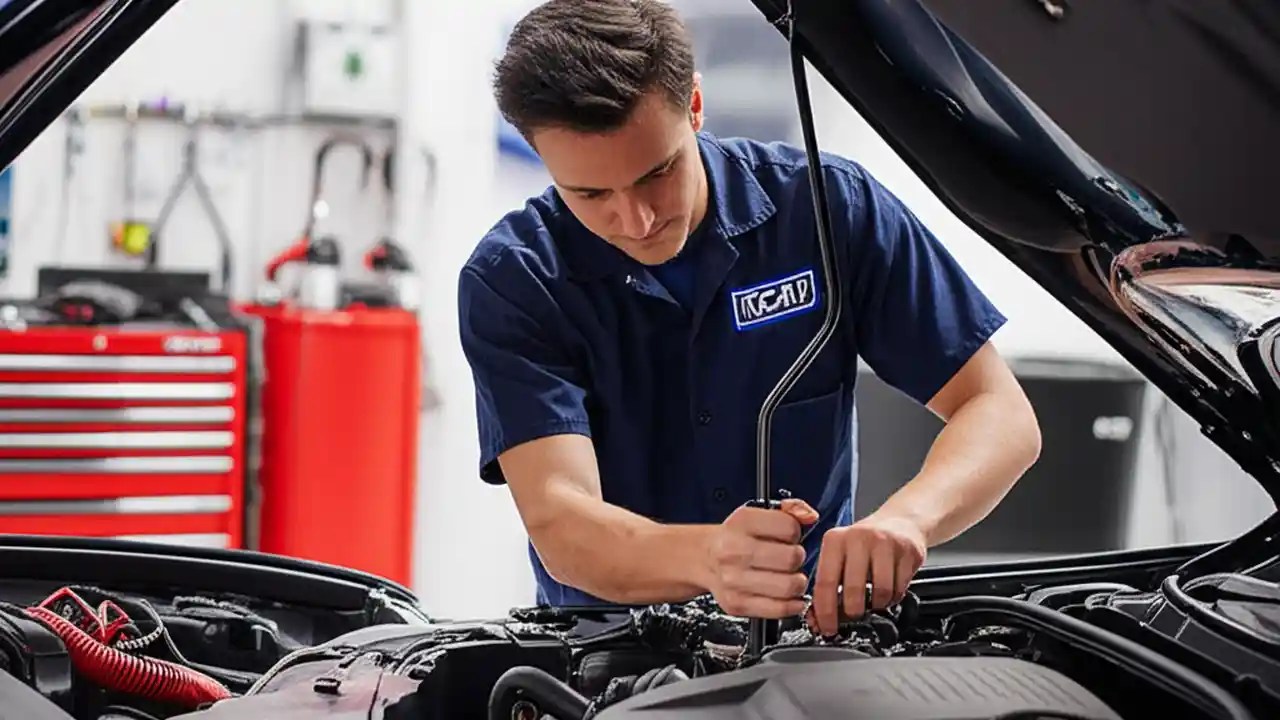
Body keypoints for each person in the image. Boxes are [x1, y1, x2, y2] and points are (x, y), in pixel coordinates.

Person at [458, 0, 1042, 637]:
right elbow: (564, 525)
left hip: (811, 641)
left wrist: (908, 519)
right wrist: (711, 558)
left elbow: (999, 410)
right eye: (591, 195)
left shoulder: (829, 211)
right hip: (613, 657)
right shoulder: (514, 281)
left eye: (658, 173)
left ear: (696, 108)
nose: (638, 219)